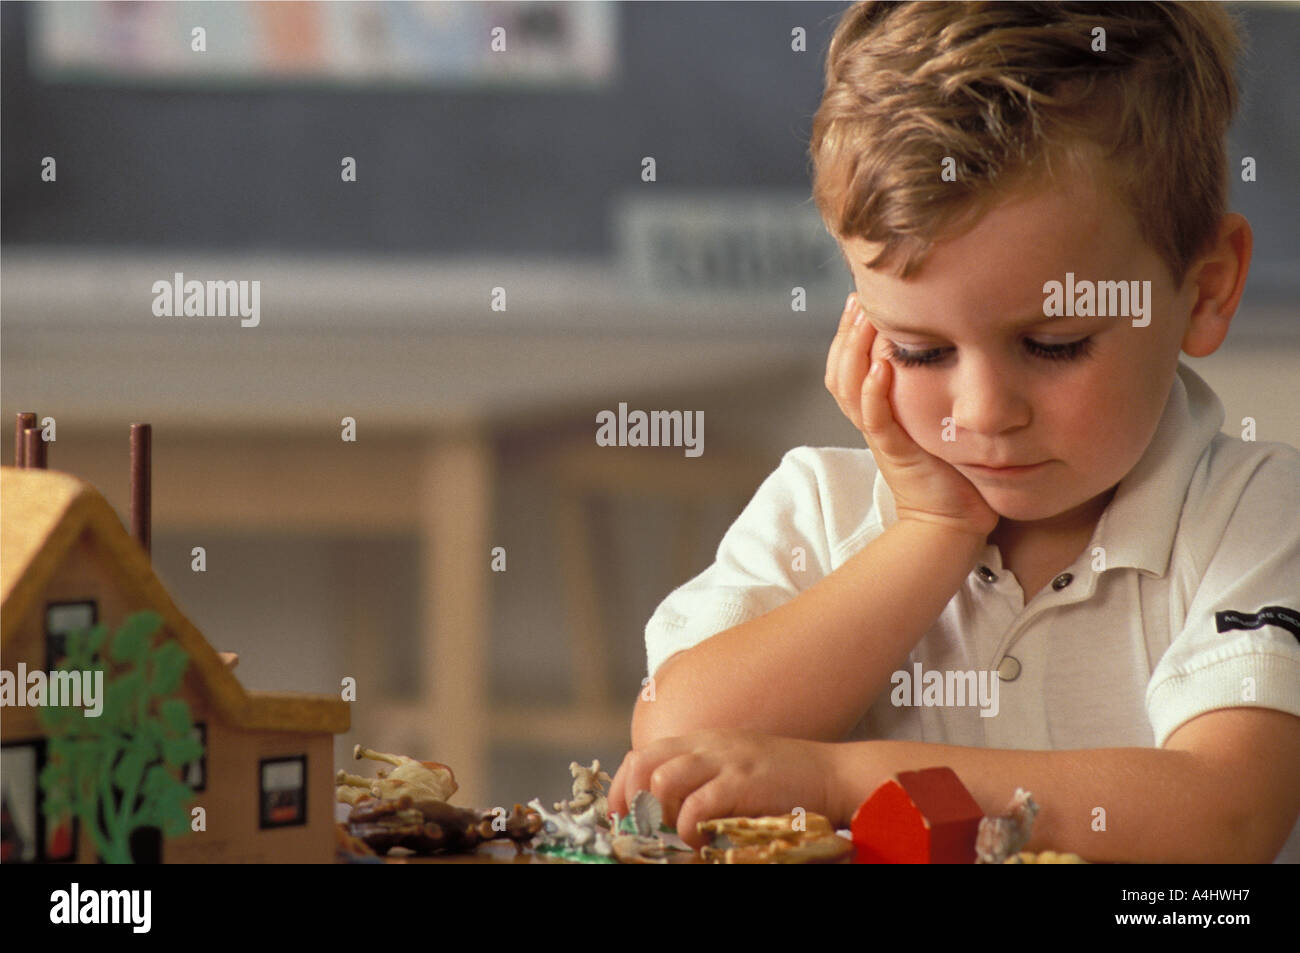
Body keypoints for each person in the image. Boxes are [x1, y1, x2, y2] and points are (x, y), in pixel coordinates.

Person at [608, 0, 1300, 863]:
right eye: (919, 348)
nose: (981, 412)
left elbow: (1226, 816)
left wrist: (843, 781)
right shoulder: (823, 507)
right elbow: (681, 742)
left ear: (1202, 292)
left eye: (1054, 344)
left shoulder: (1260, 512)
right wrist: (931, 535)